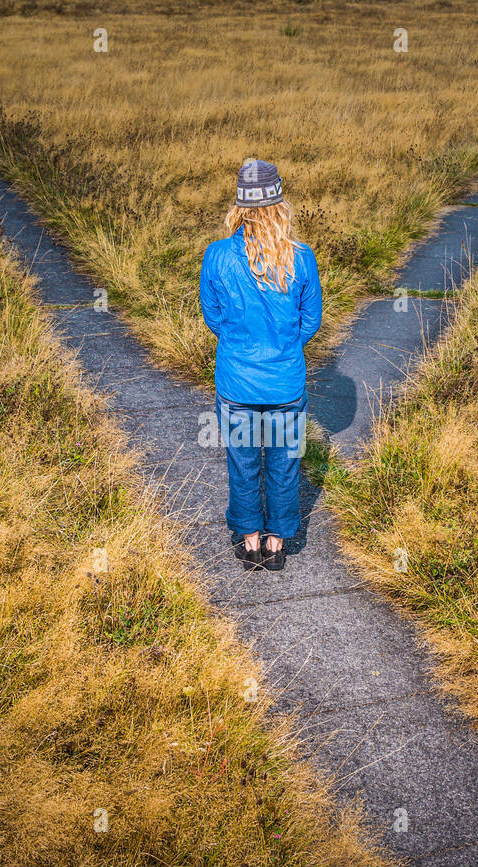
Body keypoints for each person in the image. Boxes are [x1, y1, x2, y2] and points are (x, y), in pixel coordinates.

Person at [199, 159, 322, 572]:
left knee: (243, 462)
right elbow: (310, 321)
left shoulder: (216, 255)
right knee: (286, 464)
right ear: (279, 204)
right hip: (286, 382)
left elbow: (213, 317)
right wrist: (283, 346)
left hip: (237, 383)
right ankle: (276, 542)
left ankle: (249, 540)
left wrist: (241, 345)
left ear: (239, 205)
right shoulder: (301, 258)